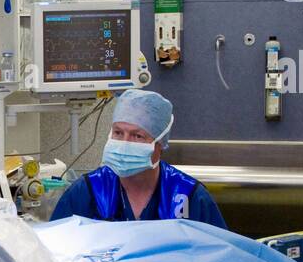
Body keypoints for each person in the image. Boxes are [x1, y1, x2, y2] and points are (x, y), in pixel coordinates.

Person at [49, 88, 226, 229]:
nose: (124, 143)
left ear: (160, 143)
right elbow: (53, 254)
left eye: (137, 136)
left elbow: (220, 260)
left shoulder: (188, 195)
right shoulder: (88, 191)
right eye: (118, 133)